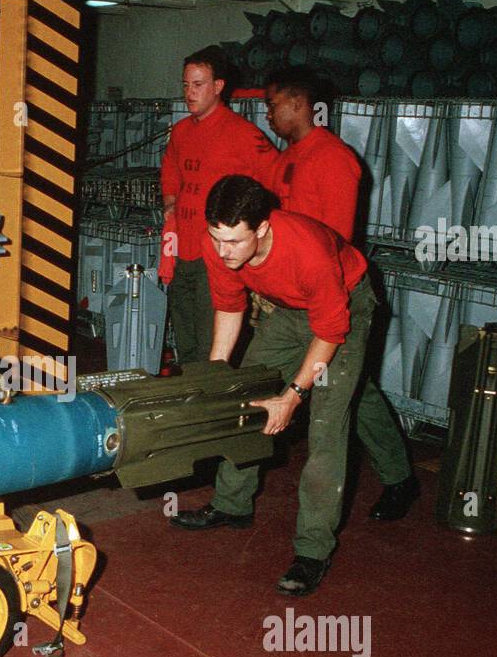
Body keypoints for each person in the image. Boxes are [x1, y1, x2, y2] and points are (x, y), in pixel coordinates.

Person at [170, 175, 384, 597]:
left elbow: (330, 331)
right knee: (246, 401)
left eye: (233, 242)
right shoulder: (221, 244)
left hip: (345, 311)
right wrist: (218, 376)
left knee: (326, 425)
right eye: (216, 238)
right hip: (290, 311)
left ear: (262, 228)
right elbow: (230, 307)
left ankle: (313, 550)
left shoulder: (308, 253)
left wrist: (293, 396)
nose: (220, 250)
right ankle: (232, 504)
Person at [261, 66, 419, 520]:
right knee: (357, 388)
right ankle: (400, 476)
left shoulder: (332, 159)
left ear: (296, 104)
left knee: (343, 395)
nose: (268, 114)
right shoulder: (285, 158)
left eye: (272, 105)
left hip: (333, 294)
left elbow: (335, 241)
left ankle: (396, 480)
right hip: (298, 296)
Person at [160, 45, 277, 364]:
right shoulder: (182, 131)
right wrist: (170, 200)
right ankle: (189, 392)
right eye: (185, 84)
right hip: (183, 250)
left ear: (218, 87)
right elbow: (170, 167)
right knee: (184, 338)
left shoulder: (244, 135)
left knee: (211, 341)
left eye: (198, 85)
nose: (189, 92)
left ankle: (205, 401)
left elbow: (275, 183)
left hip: (217, 255)